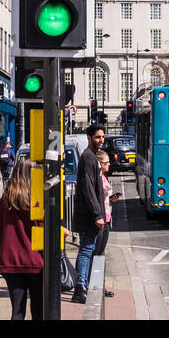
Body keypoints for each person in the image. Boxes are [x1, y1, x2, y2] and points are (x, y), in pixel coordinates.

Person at [0, 157, 44, 320]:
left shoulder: (4, 201)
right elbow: (43, 230)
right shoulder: (36, 201)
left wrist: (4, 254)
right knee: (39, 309)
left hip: (11, 263)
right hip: (36, 263)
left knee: (17, 312)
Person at [71, 124, 107, 305]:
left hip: (89, 214)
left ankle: (82, 286)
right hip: (88, 216)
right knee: (86, 251)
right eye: (97, 137)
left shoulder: (91, 157)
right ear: (89, 137)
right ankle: (80, 288)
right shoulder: (88, 158)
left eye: (102, 137)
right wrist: (97, 215)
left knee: (88, 249)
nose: (101, 140)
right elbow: (88, 189)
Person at [95, 150, 121, 298]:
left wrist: (112, 199)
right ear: (99, 164)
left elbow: (104, 197)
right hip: (100, 219)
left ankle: (98, 285)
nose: (109, 164)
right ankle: (94, 285)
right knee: (96, 254)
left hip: (106, 217)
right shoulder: (97, 178)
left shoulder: (104, 177)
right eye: (106, 162)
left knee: (100, 254)